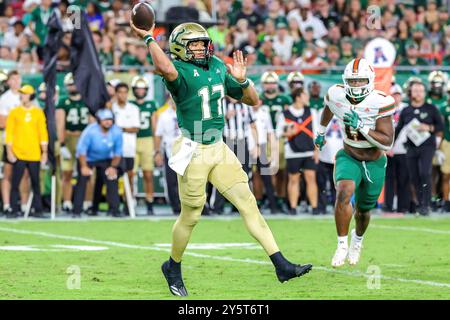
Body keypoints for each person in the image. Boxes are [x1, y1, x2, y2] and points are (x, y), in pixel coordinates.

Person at [131, 20, 312, 297]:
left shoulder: (216, 66)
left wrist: (241, 80)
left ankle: (280, 264)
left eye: (204, 43)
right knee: (191, 216)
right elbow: (165, 67)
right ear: (180, 48)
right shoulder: (177, 68)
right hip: (193, 148)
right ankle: (173, 266)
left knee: (248, 204)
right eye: (194, 44)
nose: (202, 49)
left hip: (219, 146)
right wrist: (148, 37)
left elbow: (253, 100)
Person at [315, 58, 396, 267]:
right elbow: (329, 107)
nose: (356, 85)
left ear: (369, 81)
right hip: (349, 155)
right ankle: (341, 244)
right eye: (353, 81)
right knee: (344, 191)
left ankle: (357, 240)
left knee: (363, 211)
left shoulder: (380, 101)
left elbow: (387, 142)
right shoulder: (336, 93)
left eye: (360, 80)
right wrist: (321, 131)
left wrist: (362, 126)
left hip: (374, 161)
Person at [395, 81, 444, 216]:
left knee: (425, 173)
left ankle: (426, 204)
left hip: (427, 146)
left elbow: (440, 127)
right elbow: (398, 129)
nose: (418, 93)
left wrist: (429, 128)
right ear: (410, 92)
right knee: (414, 176)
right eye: (415, 90)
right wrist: (388, 145)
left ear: (424, 93)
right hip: (411, 146)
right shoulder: (406, 110)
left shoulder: (431, 108)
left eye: (421, 90)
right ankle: (420, 202)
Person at [5, 85, 48, 218]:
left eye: (25, 93)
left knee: (36, 182)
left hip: (34, 153)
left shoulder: (38, 113)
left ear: (31, 96)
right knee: (15, 182)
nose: (22, 96)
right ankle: (13, 209)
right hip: (19, 152)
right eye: (22, 93)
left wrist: (44, 152)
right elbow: (9, 133)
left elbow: (43, 133)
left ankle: (38, 209)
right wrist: (9, 151)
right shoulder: (14, 112)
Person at [211, 96, 258, 214]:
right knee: (222, 174)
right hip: (227, 142)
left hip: (242, 142)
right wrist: (225, 117)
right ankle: (217, 206)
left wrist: (256, 145)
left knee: (243, 175)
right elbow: (212, 125)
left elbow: (252, 126)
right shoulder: (220, 104)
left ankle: (240, 206)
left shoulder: (245, 105)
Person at [73, 108, 123, 217]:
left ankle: (114, 210)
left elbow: (118, 153)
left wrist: (113, 167)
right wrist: (84, 166)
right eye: (105, 119)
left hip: (106, 159)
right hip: (88, 158)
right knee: (82, 179)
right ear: (99, 120)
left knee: (112, 177)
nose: (108, 122)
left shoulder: (117, 132)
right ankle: (76, 210)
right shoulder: (90, 131)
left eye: (110, 119)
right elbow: (81, 151)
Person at [277, 87, 319, 215]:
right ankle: (293, 208)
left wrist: (317, 150)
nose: (308, 97)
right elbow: (279, 133)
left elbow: (317, 132)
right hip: (292, 151)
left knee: (311, 178)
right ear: (298, 97)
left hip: (309, 151)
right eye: (305, 95)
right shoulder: (284, 114)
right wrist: (288, 132)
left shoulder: (311, 111)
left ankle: (314, 208)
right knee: (293, 179)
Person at [56, 72, 91, 213]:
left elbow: (92, 122)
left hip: (84, 138)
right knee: (67, 172)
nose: (73, 86)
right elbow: (60, 124)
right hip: (69, 138)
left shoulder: (87, 99)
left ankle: (87, 202)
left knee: (87, 172)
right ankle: (67, 202)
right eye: (70, 84)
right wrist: (62, 143)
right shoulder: (63, 101)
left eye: (74, 83)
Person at [259, 71, 291, 211]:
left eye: (272, 82)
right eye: (267, 83)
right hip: (262, 138)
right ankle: (264, 197)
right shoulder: (259, 98)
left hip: (280, 137)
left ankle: (280, 198)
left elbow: (289, 119)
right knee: (262, 171)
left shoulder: (284, 99)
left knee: (281, 170)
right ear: (263, 85)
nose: (270, 85)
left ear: (277, 84)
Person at [0, 70, 29, 214]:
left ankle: (24, 205)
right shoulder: (5, 99)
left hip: (26, 141)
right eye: (14, 79)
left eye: (19, 79)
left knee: (25, 174)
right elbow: (2, 122)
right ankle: (7, 204)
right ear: (9, 81)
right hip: (11, 140)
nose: (17, 82)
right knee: (8, 173)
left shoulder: (27, 96)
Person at [130, 75, 158, 215]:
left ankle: (149, 201)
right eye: (138, 89)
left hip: (147, 140)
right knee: (131, 173)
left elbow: (154, 126)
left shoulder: (151, 104)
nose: (140, 91)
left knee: (148, 174)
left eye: (143, 89)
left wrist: (156, 147)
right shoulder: (130, 104)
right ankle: (130, 201)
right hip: (132, 139)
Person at [111, 82, 140, 215]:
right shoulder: (111, 108)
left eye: (124, 92)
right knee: (114, 177)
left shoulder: (133, 109)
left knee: (130, 176)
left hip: (128, 148)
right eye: (120, 92)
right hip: (114, 149)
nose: (122, 95)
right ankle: (115, 206)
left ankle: (129, 205)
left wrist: (120, 128)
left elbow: (135, 128)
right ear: (116, 93)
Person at [384, 84, 411, 213]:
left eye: (398, 95)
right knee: (389, 180)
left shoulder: (406, 108)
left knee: (404, 179)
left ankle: (403, 206)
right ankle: (388, 206)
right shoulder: (384, 109)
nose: (396, 97)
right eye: (393, 95)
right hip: (387, 149)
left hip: (404, 148)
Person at [154, 98, 181, 215]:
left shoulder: (188, 111)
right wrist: (157, 152)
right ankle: (176, 207)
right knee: (171, 181)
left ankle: (193, 206)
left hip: (187, 150)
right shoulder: (164, 115)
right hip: (170, 150)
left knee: (190, 180)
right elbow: (158, 134)